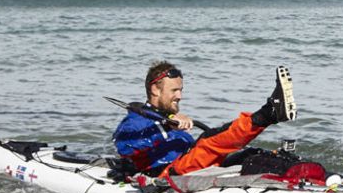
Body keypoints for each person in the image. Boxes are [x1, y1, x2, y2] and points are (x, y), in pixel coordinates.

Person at [113, 61, 296, 176]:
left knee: (250, 155)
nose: (180, 96)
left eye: (181, 90)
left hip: (191, 165)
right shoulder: (136, 120)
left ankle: (302, 173)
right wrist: (167, 126)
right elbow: (124, 146)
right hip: (168, 173)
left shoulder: (167, 117)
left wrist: (168, 122)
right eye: (174, 90)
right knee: (209, 141)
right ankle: (268, 114)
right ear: (155, 90)